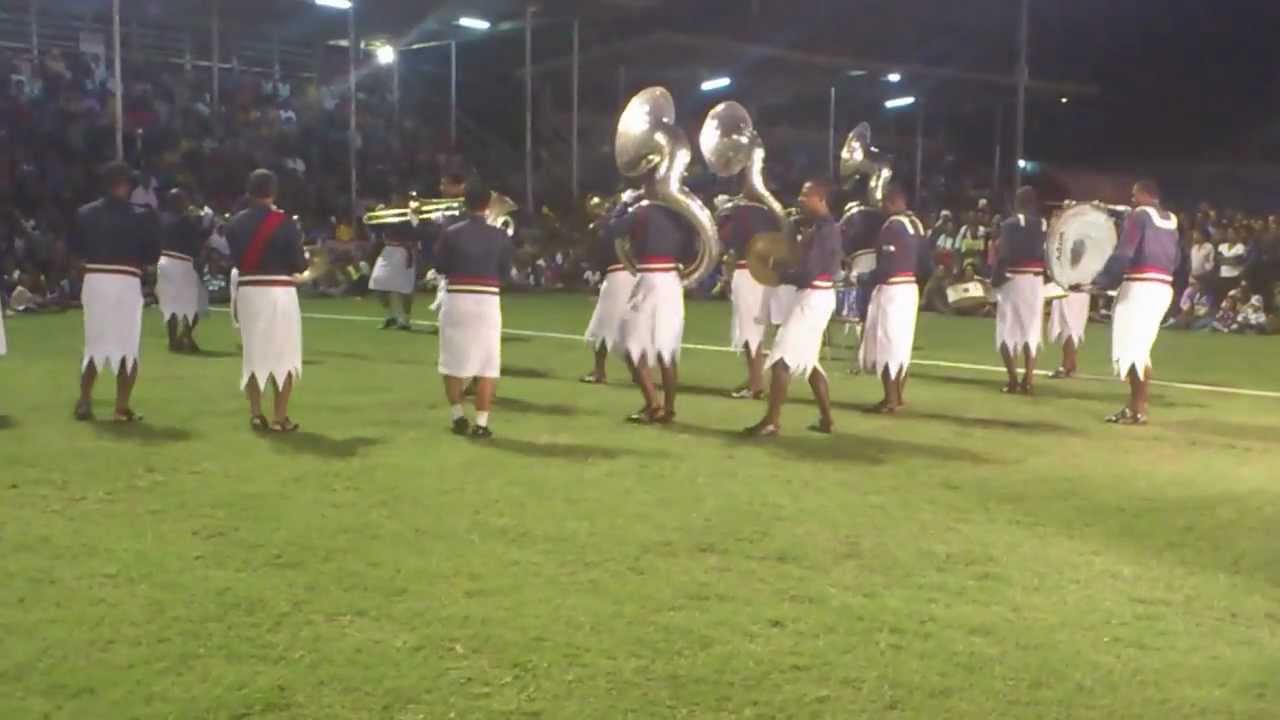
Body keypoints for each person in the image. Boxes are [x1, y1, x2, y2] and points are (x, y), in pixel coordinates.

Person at [744, 179, 841, 437]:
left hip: (814, 295)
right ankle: (827, 419)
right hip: (816, 295)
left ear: (821, 200)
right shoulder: (821, 228)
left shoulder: (824, 231)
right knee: (810, 362)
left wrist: (780, 271)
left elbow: (808, 271)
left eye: (806, 195)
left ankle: (772, 421)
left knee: (781, 358)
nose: (800, 199)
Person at [69, 161, 162, 422]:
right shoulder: (142, 215)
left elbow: (75, 251)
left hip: (95, 278)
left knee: (94, 342)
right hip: (126, 279)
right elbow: (152, 254)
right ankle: (121, 406)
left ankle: (85, 400)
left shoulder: (85, 213)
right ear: (127, 185)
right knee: (127, 344)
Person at [1090, 180, 1180, 425]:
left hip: (1140, 287)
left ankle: (1138, 409)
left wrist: (1102, 281)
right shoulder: (1172, 219)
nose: (1131, 199)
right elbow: (1178, 258)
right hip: (1162, 287)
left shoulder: (1139, 216)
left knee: (1131, 349)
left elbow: (1124, 253)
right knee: (1141, 350)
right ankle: (1134, 406)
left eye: (1133, 194)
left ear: (1144, 194)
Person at [606, 185, 696, 424]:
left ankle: (652, 404)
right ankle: (668, 408)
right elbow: (692, 248)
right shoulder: (681, 215)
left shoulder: (642, 211)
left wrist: (623, 204)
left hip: (649, 279)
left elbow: (612, 230)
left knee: (629, 345)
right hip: (672, 281)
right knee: (667, 349)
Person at [226, 169, 307, 432]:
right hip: (278, 290)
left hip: (248, 290)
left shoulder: (235, 223)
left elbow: (237, 260)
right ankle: (279, 417)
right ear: (273, 191)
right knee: (284, 353)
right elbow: (298, 263)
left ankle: (255, 413)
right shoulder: (284, 222)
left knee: (253, 353)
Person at [434, 181, 512, 439]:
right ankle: (482, 423)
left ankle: (458, 416)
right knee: (487, 365)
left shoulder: (451, 232)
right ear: (488, 205)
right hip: (488, 301)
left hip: (457, 298)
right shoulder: (500, 235)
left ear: (464, 203)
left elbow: (440, 265)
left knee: (452, 361)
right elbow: (505, 273)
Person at [859, 183, 933, 413]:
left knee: (887, 343)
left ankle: (890, 400)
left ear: (891, 202)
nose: (881, 207)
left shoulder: (891, 226)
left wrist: (864, 278)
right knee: (901, 345)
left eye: (883, 202)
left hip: (892, 289)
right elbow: (927, 265)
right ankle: (898, 396)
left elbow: (886, 266)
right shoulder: (917, 224)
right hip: (910, 288)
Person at [718, 198, 781, 399]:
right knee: (757, 331)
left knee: (749, 332)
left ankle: (755, 384)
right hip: (765, 272)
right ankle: (756, 379)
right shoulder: (769, 209)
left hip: (747, 272)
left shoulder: (736, 210)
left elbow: (723, 238)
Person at [991, 186, 1047, 394]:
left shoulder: (1010, 224)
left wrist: (995, 278)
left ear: (1017, 202)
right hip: (1035, 281)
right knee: (1031, 329)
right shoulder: (1043, 224)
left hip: (1014, 279)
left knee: (1007, 329)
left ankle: (1013, 379)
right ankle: (1029, 378)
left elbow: (1005, 254)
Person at [581, 194, 640, 384]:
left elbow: (598, 255)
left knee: (605, 326)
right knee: (620, 326)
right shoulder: (624, 224)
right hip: (631, 275)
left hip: (617, 276)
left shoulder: (604, 227)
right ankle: (634, 373)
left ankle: (603, 372)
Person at [156, 189, 206, 352]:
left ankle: (174, 341)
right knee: (197, 304)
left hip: (163, 261)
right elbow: (196, 244)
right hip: (181, 262)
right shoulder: (186, 220)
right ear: (178, 202)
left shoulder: (162, 218)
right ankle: (183, 336)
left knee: (170, 305)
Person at [368, 222, 417, 331]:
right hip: (387, 250)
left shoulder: (408, 216)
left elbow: (417, 232)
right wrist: (379, 218)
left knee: (404, 287)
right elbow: (373, 226)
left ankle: (405, 320)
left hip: (404, 250)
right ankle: (390, 316)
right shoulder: (387, 215)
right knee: (377, 281)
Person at [1047, 290, 1091, 377]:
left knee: (1068, 328)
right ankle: (1071, 364)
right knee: (1072, 327)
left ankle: (1065, 366)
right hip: (1080, 292)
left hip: (1070, 292)